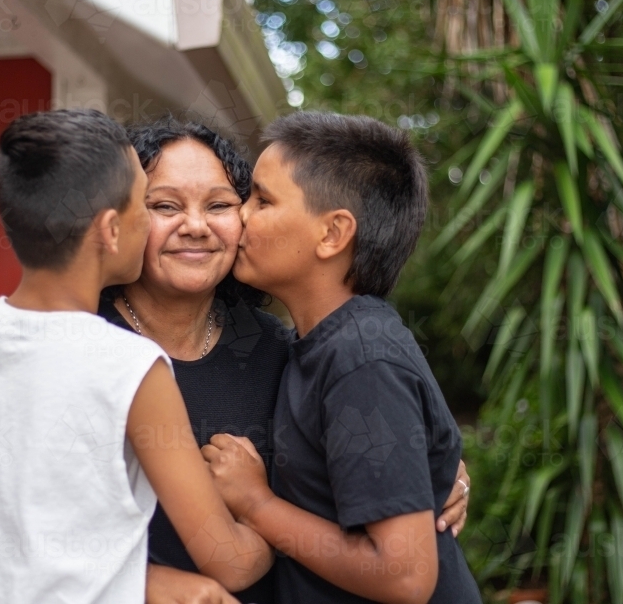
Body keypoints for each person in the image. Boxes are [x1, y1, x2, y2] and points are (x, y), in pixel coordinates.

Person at [96, 116, 473, 604]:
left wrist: (438, 469)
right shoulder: (79, 347)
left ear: (333, 233)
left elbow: (401, 558)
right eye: (165, 205)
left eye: (226, 204)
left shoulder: (290, 350)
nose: (198, 225)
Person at [0, 110, 271, 603]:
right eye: (149, 203)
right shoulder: (130, 367)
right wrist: (272, 524)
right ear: (112, 230)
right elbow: (228, 560)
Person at [201, 111, 482, 603]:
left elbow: (406, 577)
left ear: (332, 234)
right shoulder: (318, 346)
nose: (240, 214)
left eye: (263, 199)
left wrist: (256, 503)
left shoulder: (361, 359)